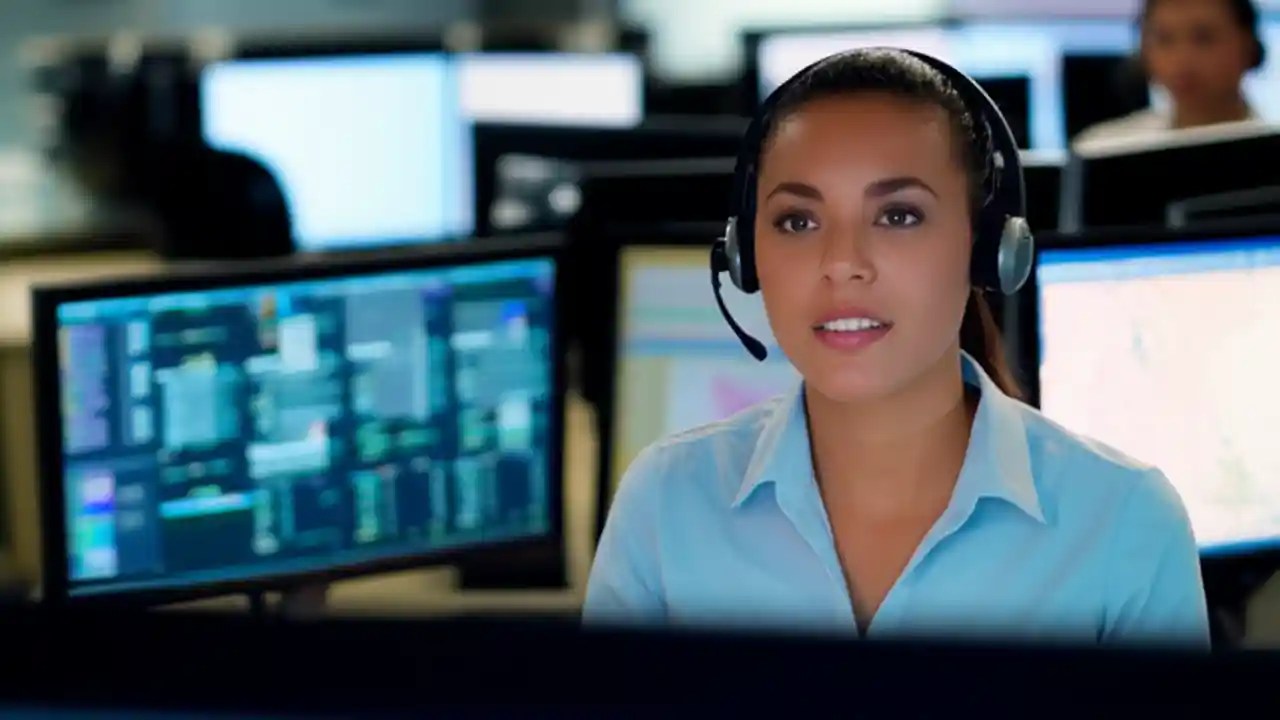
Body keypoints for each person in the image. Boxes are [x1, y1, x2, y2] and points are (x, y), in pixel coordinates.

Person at [583, 47, 1211, 648]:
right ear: (747, 257)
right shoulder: (665, 504)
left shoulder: (1123, 522)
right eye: (798, 221)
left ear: (988, 247)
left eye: (898, 216)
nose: (842, 263)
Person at [1073, 0, 1268, 150]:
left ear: (1248, 46)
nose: (1182, 59)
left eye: (1203, 38)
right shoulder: (1103, 149)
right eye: (1164, 39)